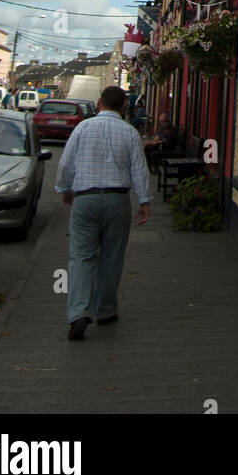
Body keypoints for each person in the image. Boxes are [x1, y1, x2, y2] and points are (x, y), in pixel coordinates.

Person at [55, 84, 151, 341]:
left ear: (99, 103)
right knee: (111, 256)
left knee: (81, 257)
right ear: (123, 107)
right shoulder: (130, 132)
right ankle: (105, 311)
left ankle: (77, 313)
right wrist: (144, 200)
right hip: (116, 200)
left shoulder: (82, 128)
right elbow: (139, 168)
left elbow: (66, 162)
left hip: (85, 199)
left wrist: (65, 188)